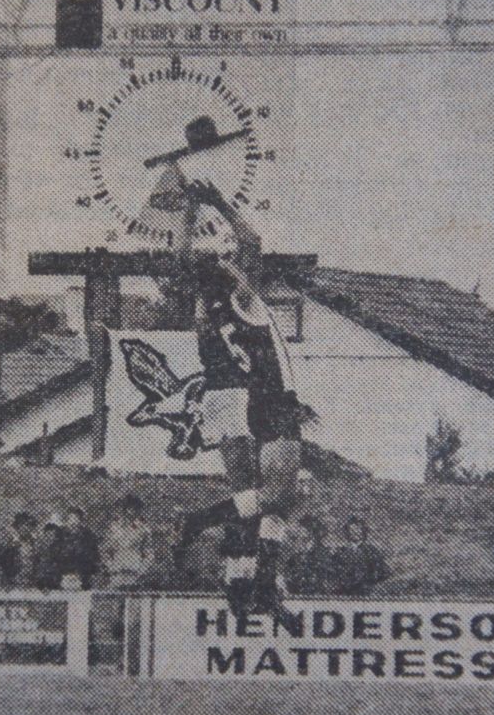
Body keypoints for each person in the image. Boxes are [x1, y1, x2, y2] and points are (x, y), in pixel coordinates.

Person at [171, 179, 306, 618]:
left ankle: (253, 582)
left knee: (267, 499)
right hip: (268, 396)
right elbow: (252, 240)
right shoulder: (242, 297)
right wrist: (217, 200)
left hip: (247, 398)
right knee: (276, 497)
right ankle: (202, 524)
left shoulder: (206, 306)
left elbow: (184, 258)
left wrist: (192, 212)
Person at [102, 494, 153, 589]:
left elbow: (149, 553)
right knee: (116, 600)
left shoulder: (144, 529)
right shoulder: (114, 527)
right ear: (123, 509)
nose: (131, 512)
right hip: (116, 573)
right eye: (128, 508)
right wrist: (111, 566)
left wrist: (141, 570)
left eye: (134, 509)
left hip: (135, 573)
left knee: (134, 601)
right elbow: (105, 550)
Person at [331, 516, 389, 596]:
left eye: (358, 530)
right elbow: (334, 571)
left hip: (367, 593)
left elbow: (384, 572)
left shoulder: (371, 551)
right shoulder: (340, 552)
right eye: (352, 530)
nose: (355, 533)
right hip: (345, 594)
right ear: (347, 532)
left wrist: (370, 582)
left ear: (363, 531)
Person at [286, 517, 335, 595]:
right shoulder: (294, 558)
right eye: (296, 538)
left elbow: (327, 583)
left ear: (313, 536)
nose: (298, 542)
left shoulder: (323, 555)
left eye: (304, 539)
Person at [60, 506, 101, 590]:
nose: (74, 522)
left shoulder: (88, 536)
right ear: (66, 520)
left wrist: (92, 573)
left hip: (83, 578)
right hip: (63, 578)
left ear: (81, 520)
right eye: (71, 519)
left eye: (77, 519)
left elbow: (95, 557)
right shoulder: (59, 536)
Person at [3, 512, 39, 589]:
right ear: (17, 527)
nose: (25, 528)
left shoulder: (35, 544)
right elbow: (6, 566)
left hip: (32, 585)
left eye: (27, 525)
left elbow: (37, 564)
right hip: (14, 584)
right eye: (21, 525)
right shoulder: (11, 545)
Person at [33, 516, 68, 591]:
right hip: (40, 583)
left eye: (54, 535)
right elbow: (36, 565)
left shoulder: (59, 549)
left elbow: (61, 567)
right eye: (49, 535)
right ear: (45, 535)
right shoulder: (39, 548)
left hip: (55, 582)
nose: (51, 538)